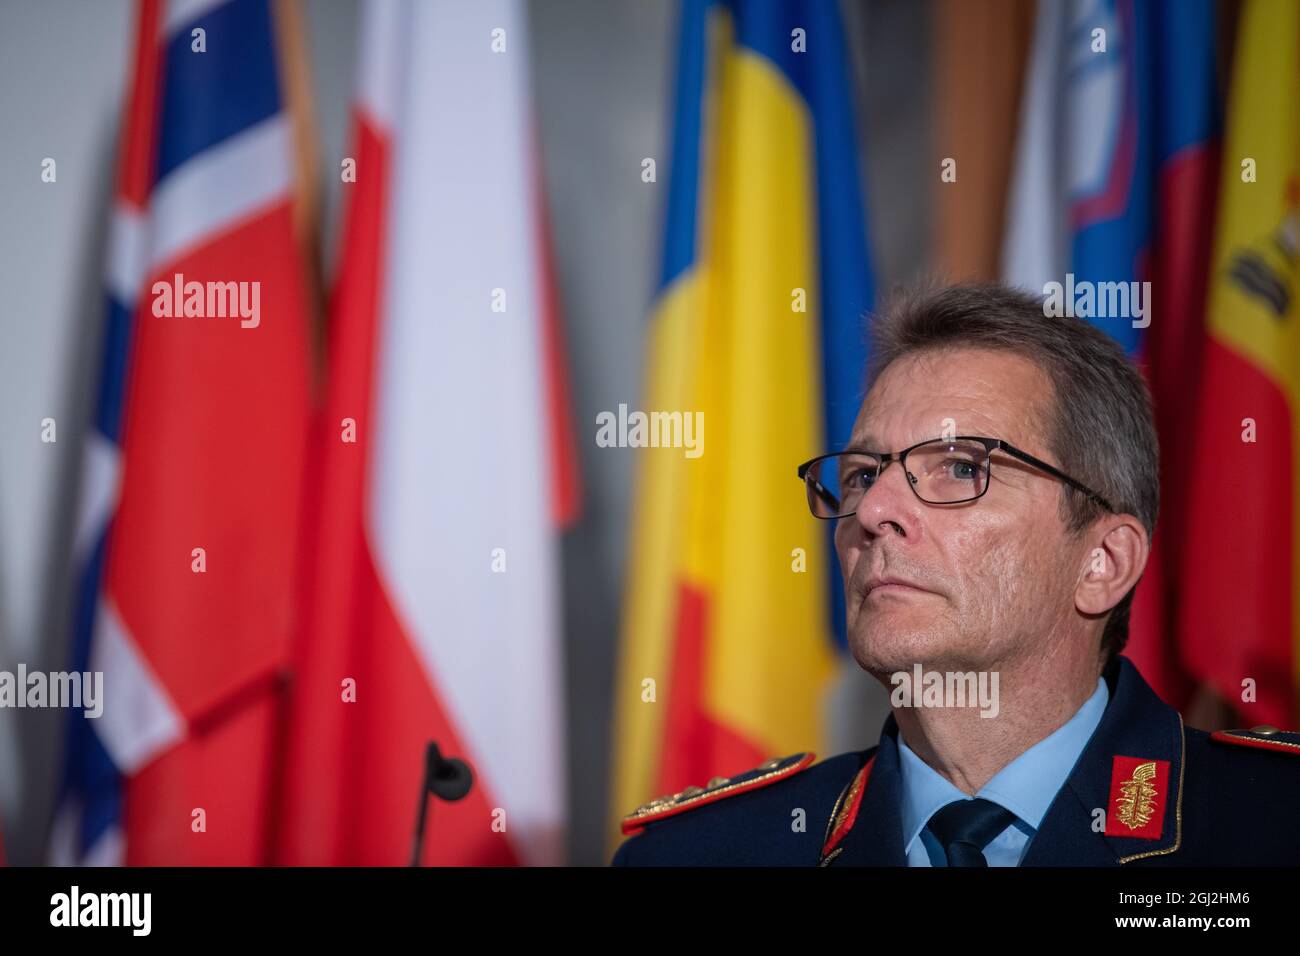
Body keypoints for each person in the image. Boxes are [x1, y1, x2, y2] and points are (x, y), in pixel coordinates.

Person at [612, 282, 1300, 867]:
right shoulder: (704, 853)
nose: (875, 510)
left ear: (1103, 563)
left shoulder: (1270, 826)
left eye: (963, 468)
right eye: (861, 475)